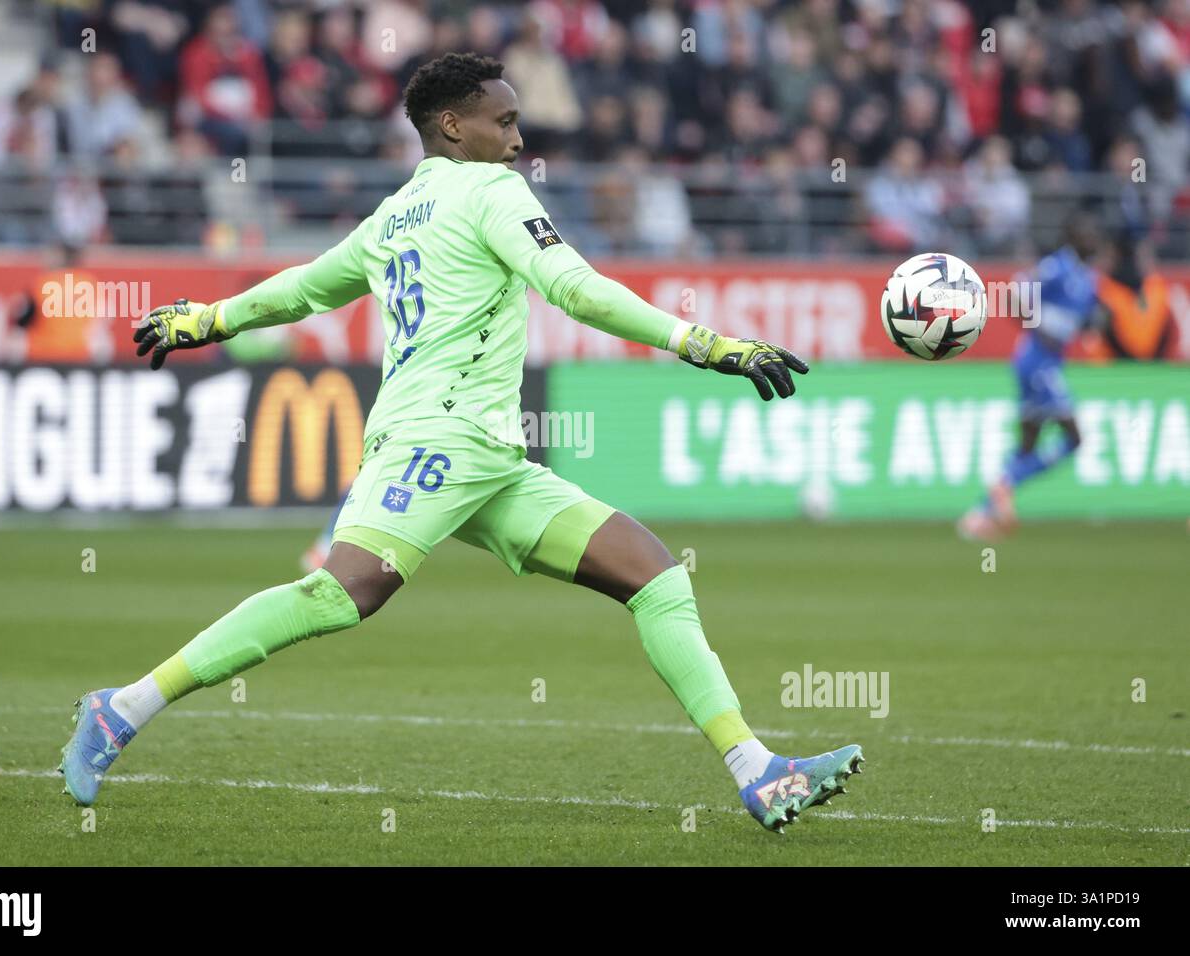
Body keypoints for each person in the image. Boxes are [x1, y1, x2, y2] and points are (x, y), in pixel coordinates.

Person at [60, 53, 863, 833]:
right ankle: (121, 708)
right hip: (431, 442)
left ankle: (754, 767)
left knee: (655, 577)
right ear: (453, 125)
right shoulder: (490, 191)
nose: (519, 139)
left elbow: (304, 286)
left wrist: (208, 318)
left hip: (490, 461)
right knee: (341, 595)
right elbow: (574, 288)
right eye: (504, 120)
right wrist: (705, 344)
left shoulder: (391, 216)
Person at [959, 212, 1107, 539]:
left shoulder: (1089, 278)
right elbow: (1015, 288)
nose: (1092, 239)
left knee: (1027, 445)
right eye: (1086, 233)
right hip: (1038, 362)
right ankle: (1005, 486)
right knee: (1074, 437)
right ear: (1071, 237)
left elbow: (1090, 317)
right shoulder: (1059, 266)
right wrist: (1035, 326)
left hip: (1046, 362)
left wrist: (1091, 325)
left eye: (1095, 233)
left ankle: (980, 513)